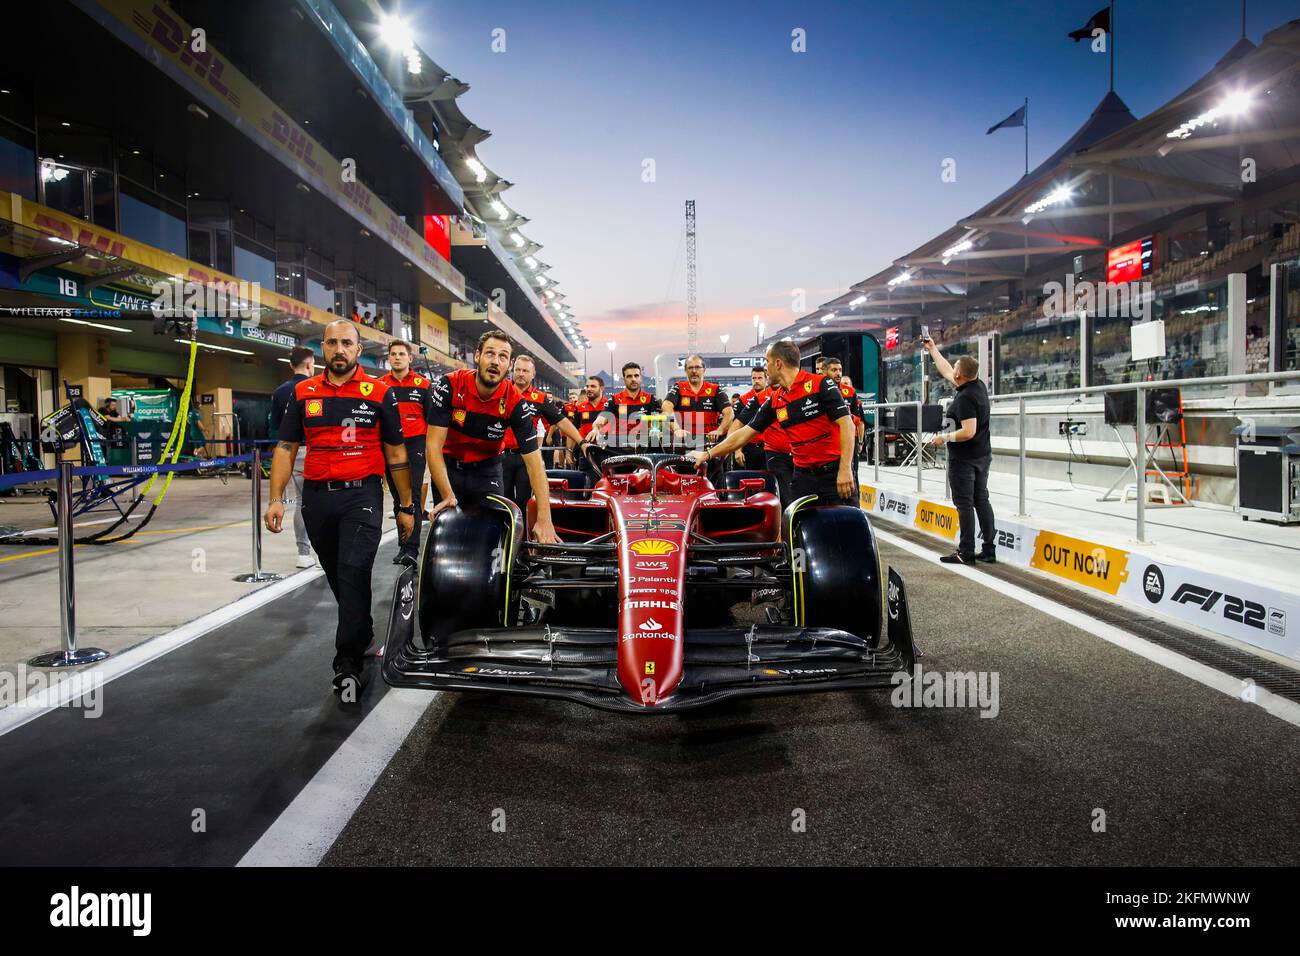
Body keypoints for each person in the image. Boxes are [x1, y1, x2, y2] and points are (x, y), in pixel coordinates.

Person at [265, 320, 415, 699]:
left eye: (346, 343)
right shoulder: (303, 392)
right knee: (337, 573)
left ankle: (347, 664)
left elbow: (396, 454)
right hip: (316, 499)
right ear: (323, 349)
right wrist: (276, 498)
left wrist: (407, 505)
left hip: (362, 496)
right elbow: (285, 447)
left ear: (359, 349)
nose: (339, 349)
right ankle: (361, 629)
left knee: (353, 570)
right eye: (331, 343)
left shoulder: (379, 393)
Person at [425, 330, 562, 544]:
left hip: (487, 471)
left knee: (491, 539)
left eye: (503, 357)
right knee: (447, 538)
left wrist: (545, 518)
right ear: (477, 356)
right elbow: (432, 447)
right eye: (490, 353)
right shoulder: (449, 385)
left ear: (508, 365)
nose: (495, 362)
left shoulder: (515, 402)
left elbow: (535, 463)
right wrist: (447, 494)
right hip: (449, 469)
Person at [694, 340, 854, 505]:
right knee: (794, 528)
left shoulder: (821, 384)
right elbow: (743, 434)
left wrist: (845, 468)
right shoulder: (775, 400)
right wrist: (708, 454)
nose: (765, 368)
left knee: (848, 527)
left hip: (834, 474)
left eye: (767, 362)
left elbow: (847, 424)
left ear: (778, 363)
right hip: (803, 479)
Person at [923, 335, 995, 565]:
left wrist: (943, 438)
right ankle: (989, 549)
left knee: (964, 504)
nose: (951, 369)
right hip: (982, 455)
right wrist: (933, 349)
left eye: (955, 367)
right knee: (981, 500)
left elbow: (968, 431)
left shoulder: (965, 398)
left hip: (965, 459)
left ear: (959, 375)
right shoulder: (977, 385)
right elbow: (945, 369)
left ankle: (966, 552)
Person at [502, 354, 585, 511]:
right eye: (517, 370)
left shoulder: (540, 398)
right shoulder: (501, 390)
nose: (520, 373)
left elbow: (561, 421)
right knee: (503, 502)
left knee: (524, 502)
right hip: (501, 457)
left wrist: (582, 442)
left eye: (525, 371)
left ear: (533, 374)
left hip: (527, 458)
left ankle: (523, 535)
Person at [378, 340, 433, 564]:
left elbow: (432, 421)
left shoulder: (424, 385)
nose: (397, 357)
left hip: (415, 446)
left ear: (410, 358)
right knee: (398, 498)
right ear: (389, 358)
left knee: (414, 497)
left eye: (402, 354)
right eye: (393, 354)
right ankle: (402, 546)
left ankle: (412, 549)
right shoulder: (381, 385)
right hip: (390, 448)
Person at [269, 346, 317, 568]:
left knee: (300, 502)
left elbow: (276, 427)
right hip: (315, 450)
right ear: (309, 364)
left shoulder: (280, 391)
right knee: (321, 501)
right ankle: (322, 551)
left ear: (290, 365)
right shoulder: (314, 389)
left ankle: (303, 554)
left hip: (291, 452)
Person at [663, 354, 733, 484]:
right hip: (684, 445)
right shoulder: (678, 387)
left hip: (709, 446)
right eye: (690, 368)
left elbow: (729, 412)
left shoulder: (715, 389)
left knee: (714, 483)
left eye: (697, 367)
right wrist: (677, 429)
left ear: (704, 369)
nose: (694, 371)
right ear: (685, 371)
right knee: (683, 483)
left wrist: (719, 430)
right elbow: (666, 406)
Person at [589, 362, 657, 449]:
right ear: (624, 379)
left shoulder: (651, 399)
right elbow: (601, 420)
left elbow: (657, 422)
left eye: (636, 376)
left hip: (643, 446)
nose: (633, 379)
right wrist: (595, 429)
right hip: (620, 447)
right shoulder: (614, 400)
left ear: (641, 378)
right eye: (629, 376)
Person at [825, 358, 864, 495]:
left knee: (852, 474)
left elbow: (859, 419)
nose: (838, 373)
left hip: (848, 440)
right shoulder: (819, 392)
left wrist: (847, 417)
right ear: (825, 372)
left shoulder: (850, 392)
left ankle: (854, 505)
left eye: (840, 370)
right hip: (828, 443)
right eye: (834, 370)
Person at [569, 376, 608, 483]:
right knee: (587, 485)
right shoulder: (580, 407)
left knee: (606, 484)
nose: (589, 389)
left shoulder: (609, 406)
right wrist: (569, 451)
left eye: (593, 386)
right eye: (587, 386)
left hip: (606, 452)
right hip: (585, 452)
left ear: (601, 388)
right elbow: (573, 430)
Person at [733, 365, 768, 471]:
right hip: (749, 448)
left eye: (760, 378)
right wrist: (737, 450)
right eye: (754, 378)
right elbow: (735, 428)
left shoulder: (774, 397)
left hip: (768, 449)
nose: (756, 381)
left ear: (766, 379)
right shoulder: (742, 400)